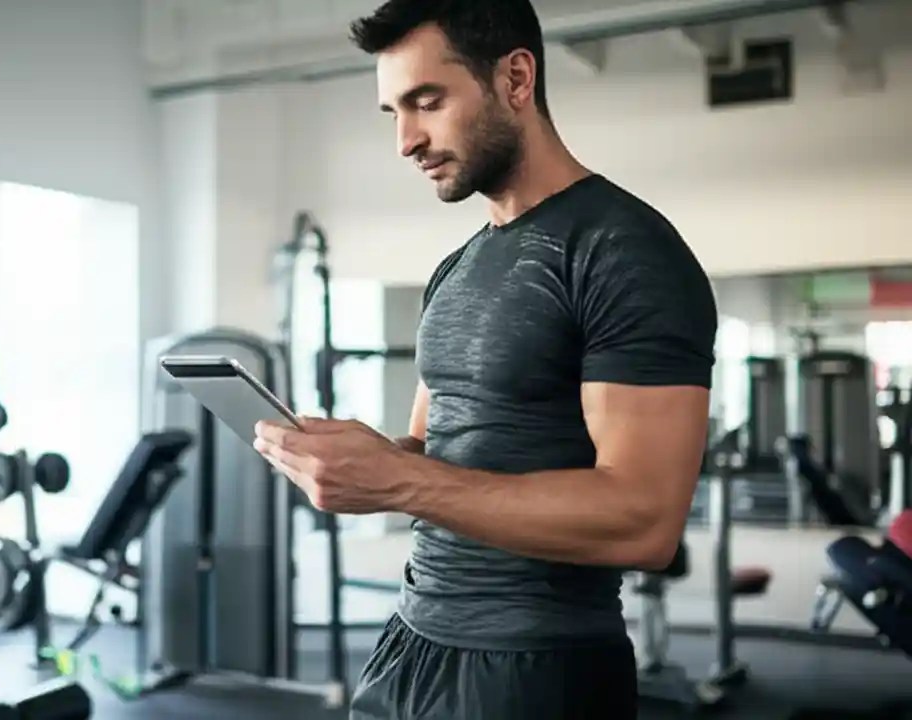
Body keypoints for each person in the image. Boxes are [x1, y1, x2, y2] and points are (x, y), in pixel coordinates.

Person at [252, 0, 718, 718]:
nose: (406, 140)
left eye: (427, 101)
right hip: (411, 639)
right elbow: (430, 450)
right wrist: (351, 461)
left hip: (535, 666)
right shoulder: (457, 269)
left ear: (517, 79)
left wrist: (401, 480)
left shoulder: (623, 251)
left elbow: (645, 521)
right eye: (392, 113)